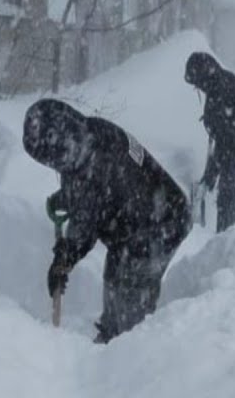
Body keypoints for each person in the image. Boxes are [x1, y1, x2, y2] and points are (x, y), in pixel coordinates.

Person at [23, 99, 191, 344]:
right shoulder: (91, 132)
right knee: (116, 271)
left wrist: (63, 261)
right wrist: (67, 198)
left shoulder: (93, 165)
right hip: (145, 213)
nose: (54, 165)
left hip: (161, 224)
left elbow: (86, 222)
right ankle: (112, 334)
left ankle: (130, 349)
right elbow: (90, 188)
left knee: (132, 288)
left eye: (52, 159)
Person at [184, 52, 235, 232]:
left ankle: (230, 248)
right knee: (234, 202)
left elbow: (227, 137)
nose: (198, 87)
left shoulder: (223, 88)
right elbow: (223, 136)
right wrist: (211, 175)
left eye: (197, 82)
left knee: (230, 202)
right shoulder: (218, 85)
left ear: (203, 75)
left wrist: (212, 173)